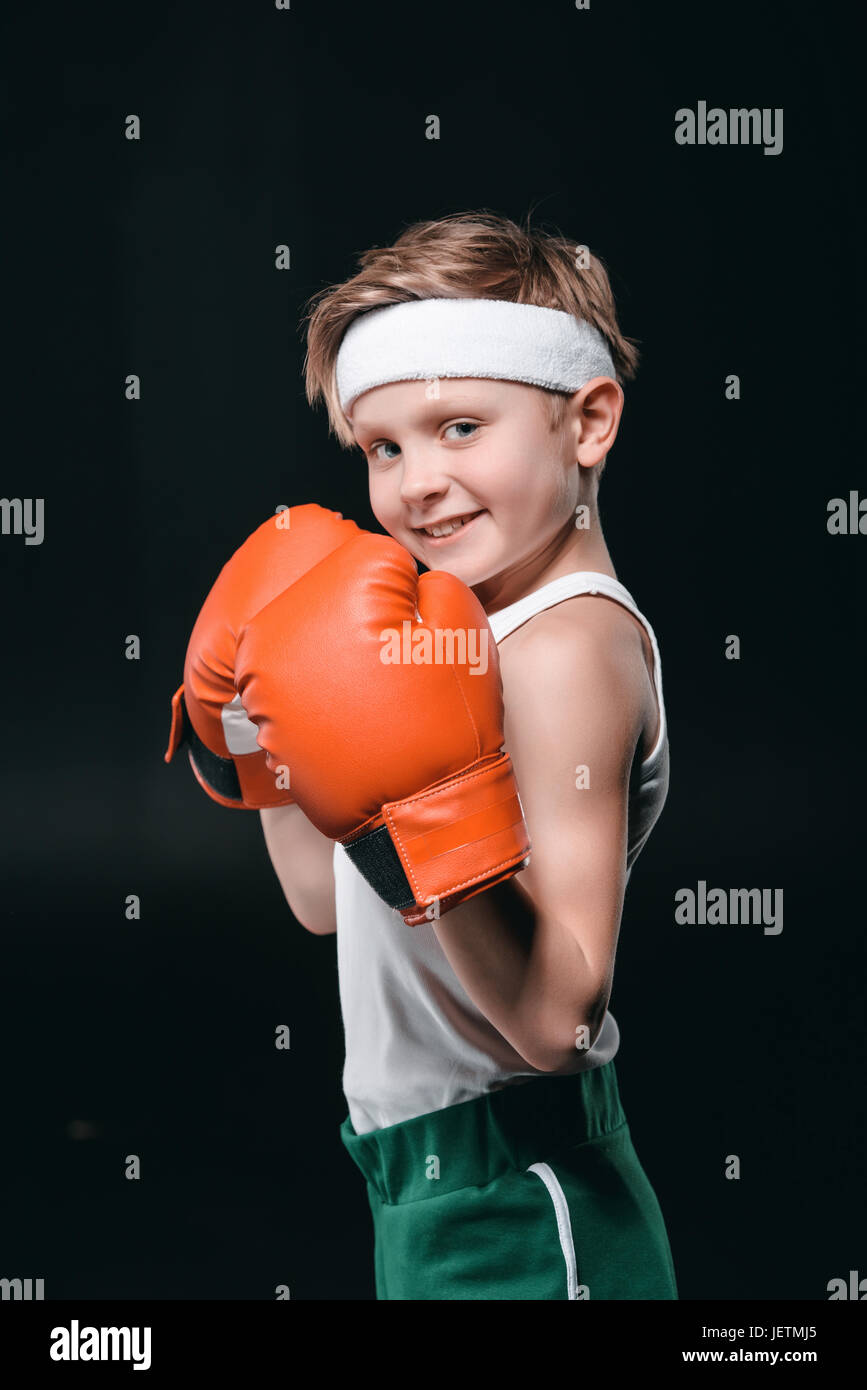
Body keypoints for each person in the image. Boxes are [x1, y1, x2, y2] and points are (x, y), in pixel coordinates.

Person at [167, 210, 678, 1300]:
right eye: (382, 448)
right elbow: (321, 894)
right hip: (415, 1175)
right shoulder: (441, 639)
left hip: (528, 1191)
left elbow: (557, 1018)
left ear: (587, 422)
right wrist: (262, 730)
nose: (416, 484)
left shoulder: (568, 646)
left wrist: (420, 806)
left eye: (459, 427)